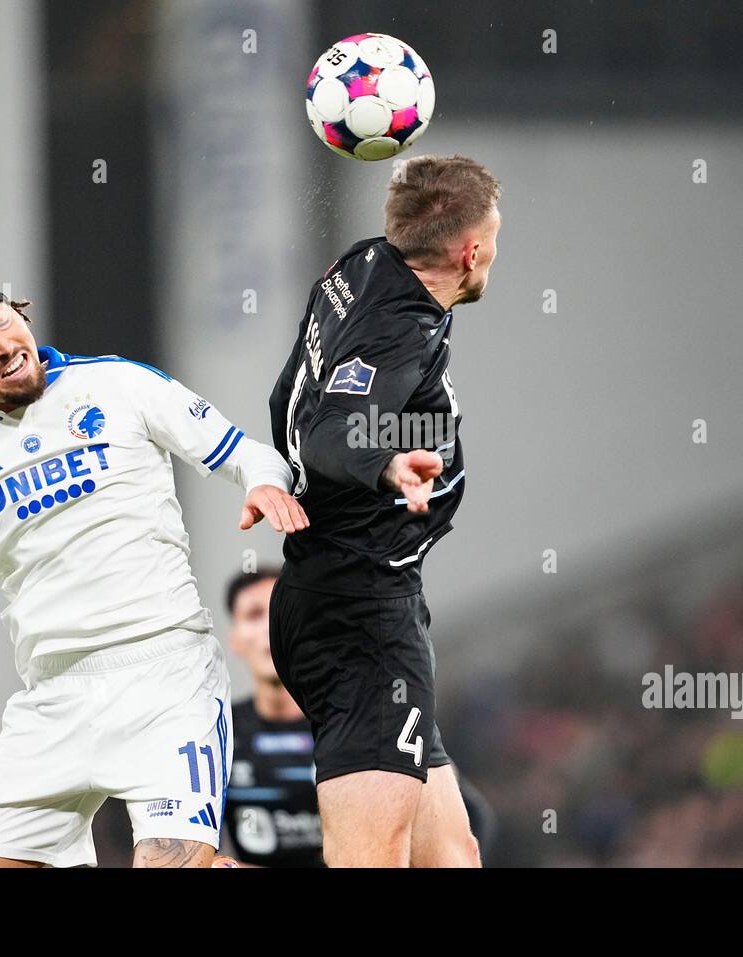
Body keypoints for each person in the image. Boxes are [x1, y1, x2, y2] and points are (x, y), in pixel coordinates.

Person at [0, 272, 307, 868]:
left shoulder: (119, 384)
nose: (2, 343)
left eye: (4, 321)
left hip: (166, 680)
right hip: (53, 699)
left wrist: (265, 484)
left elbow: (247, 452)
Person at [268, 155, 502, 866]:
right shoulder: (400, 324)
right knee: (373, 857)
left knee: (452, 854)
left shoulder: (363, 266)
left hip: (361, 597)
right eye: (495, 233)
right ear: (471, 250)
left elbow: (289, 403)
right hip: (362, 616)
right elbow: (327, 430)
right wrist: (386, 461)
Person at [221, 568, 496, 867]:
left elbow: (471, 823)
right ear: (235, 639)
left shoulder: (368, 719)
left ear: (298, 626)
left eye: (276, 611)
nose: (267, 628)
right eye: (253, 615)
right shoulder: (221, 733)